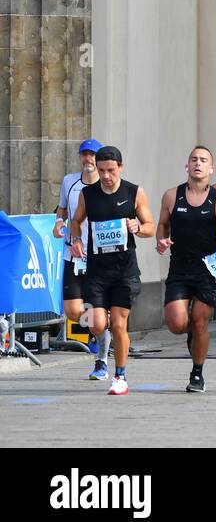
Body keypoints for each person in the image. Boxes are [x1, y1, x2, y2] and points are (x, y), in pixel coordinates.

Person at [70, 145, 155, 395]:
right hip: (97, 270)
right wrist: (76, 240)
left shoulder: (134, 192)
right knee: (97, 324)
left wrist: (137, 227)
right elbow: (76, 220)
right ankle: (103, 341)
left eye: (110, 170)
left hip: (124, 272)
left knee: (119, 325)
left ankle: (120, 376)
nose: (106, 176)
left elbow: (150, 225)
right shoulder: (88, 194)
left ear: (120, 167)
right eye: (101, 170)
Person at [156, 147, 216, 392]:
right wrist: (161, 240)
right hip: (179, 267)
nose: (198, 164)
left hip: (207, 268)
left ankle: (197, 373)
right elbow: (162, 225)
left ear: (211, 169)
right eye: (194, 159)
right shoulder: (172, 196)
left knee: (201, 321)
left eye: (203, 160)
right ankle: (191, 330)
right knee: (176, 323)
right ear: (187, 165)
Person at [53, 137, 112, 381]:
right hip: (72, 254)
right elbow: (63, 210)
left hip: (98, 257)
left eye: (93, 155)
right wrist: (59, 223)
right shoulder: (69, 181)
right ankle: (96, 329)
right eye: (84, 155)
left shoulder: (107, 185)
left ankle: (102, 361)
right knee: (73, 310)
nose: (88, 159)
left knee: (97, 320)